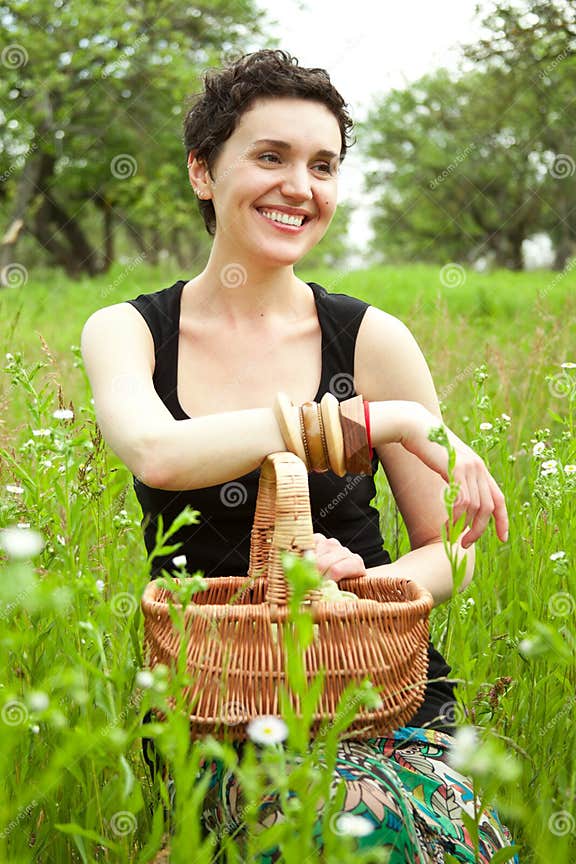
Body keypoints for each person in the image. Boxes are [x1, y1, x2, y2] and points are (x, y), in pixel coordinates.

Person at [81, 49, 518, 864]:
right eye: (271, 157)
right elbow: (158, 453)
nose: (301, 187)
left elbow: (451, 553)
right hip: (218, 710)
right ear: (203, 172)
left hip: (381, 696)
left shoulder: (372, 337)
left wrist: (357, 589)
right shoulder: (130, 329)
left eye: (324, 165)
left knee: (386, 819)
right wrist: (372, 419)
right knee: (308, 821)